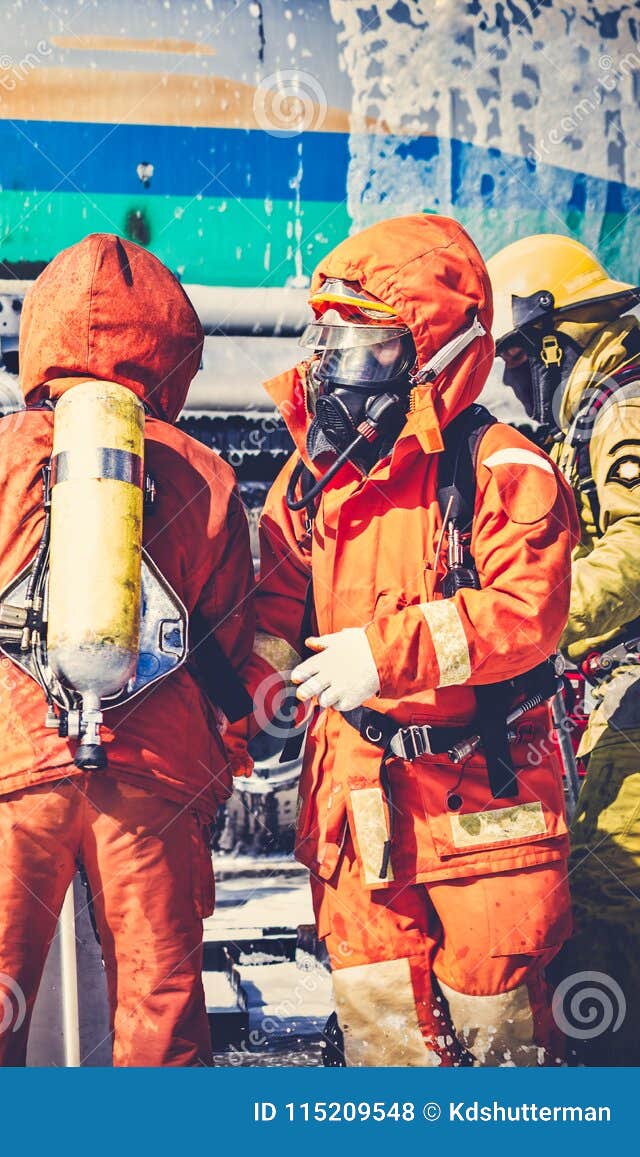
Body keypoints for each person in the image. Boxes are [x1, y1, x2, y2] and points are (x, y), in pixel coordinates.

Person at [0, 234, 255, 1066]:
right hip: (154, 781)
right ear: (173, 353)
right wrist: (219, 760)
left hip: (11, 767)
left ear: (42, 337)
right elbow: (231, 647)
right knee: (159, 1017)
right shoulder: (208, 475)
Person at [246, 214, 578, 1066]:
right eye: (330, 341)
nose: (336, 368)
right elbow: (273, 623)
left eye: (366, 342)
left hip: (483, 804)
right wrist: (234, 718)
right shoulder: (314, 479)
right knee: (384, 1038)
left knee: (500, 1042)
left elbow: (527, 612)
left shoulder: (504, 470)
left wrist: (382, 654)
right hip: (360, 812)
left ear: (432, 350)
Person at [487, 234, 640, 1064]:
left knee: (604, 894)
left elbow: (639, 546)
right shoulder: (599, 410)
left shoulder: (625, 410)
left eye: (516, 360)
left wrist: (535, 618)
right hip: (618, 685)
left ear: (556, 342)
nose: (514, 381)